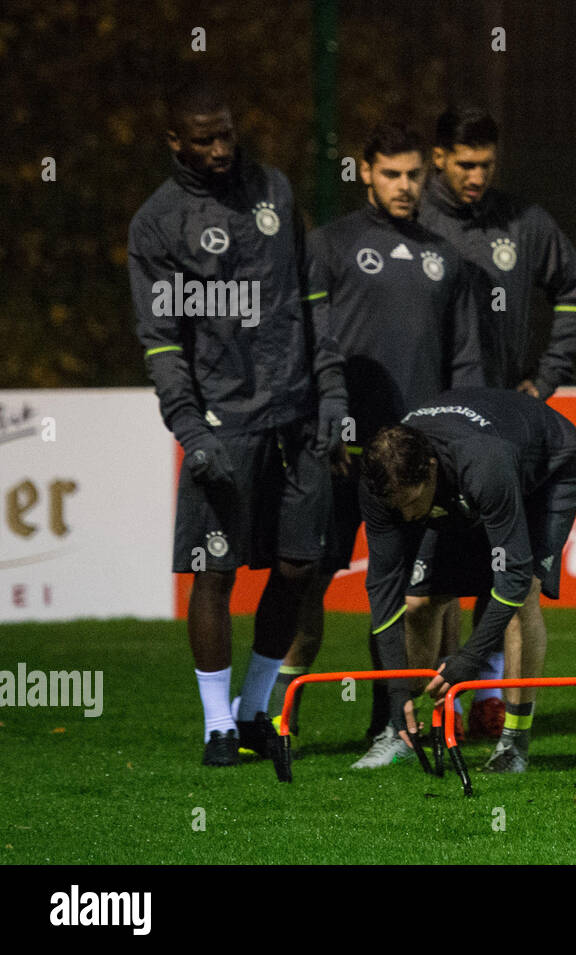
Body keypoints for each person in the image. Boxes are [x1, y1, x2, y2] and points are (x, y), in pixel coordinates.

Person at [128, 80, 346, 766]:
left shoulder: (275, 190)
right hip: (223, 425)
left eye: (227, 133)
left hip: (298, 417)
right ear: (175, 142)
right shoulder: (157, 224)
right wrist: (191, 429)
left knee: (299, 564)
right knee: (213, 571)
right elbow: (161, 341)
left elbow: (315, 303)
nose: (221, 149)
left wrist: (333, 394)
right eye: (204, 138)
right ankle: (217, 723)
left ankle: (255, 709)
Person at [266, 122, 485, 757]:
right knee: (306, 583)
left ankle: (395, 722)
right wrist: (324, 417)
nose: (405, 186)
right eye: (391, 174)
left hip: (417, 466)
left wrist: (456, 440)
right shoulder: (329, 246)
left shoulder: (450, 259)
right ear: (365, 172)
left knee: (414, 598)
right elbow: (313, 342)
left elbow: (466, 367)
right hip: (337, 455)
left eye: (415, 175)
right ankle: (277, 718)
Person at [419, 106, 576, 738]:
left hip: (503, 434)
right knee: (435, 582)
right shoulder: (412, 220)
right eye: (464, 163)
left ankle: (493, 699)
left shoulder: (524, 223)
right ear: (437, 157)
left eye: (486, 165)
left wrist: (542, 382)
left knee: (503, 573)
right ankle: (447, 707)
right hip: (432, 429)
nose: (476, 176)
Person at [358, 388, 576, 771]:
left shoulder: (485, 464)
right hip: (466, 473)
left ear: (431, 468)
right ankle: (399, 729)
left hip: (549, 469)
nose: (407, 516)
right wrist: (397, 693)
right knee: (419, 603)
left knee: (523, 595)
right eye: (396, 507)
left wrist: (470, 659)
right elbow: (383, 587)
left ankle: (514, 744)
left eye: (413, 503)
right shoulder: (381, 484)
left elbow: (512, 577)